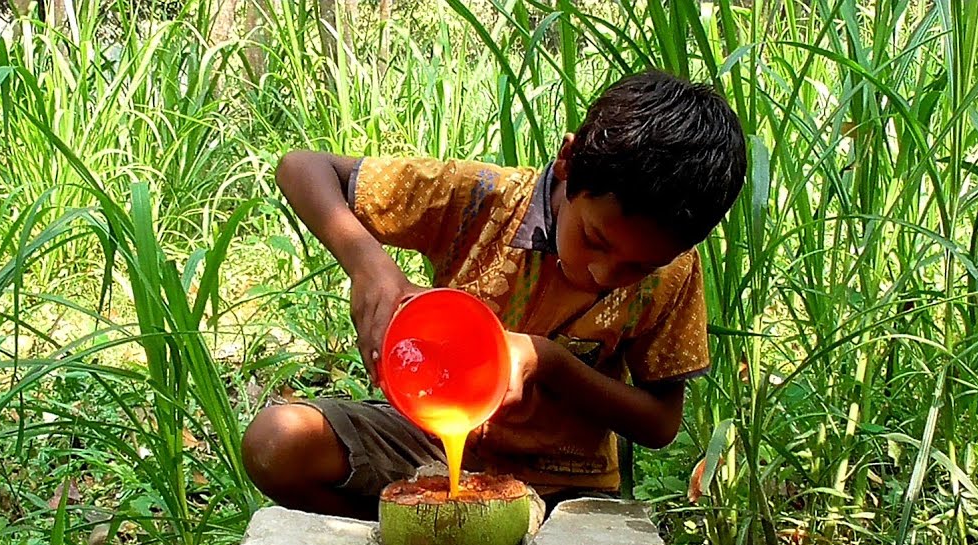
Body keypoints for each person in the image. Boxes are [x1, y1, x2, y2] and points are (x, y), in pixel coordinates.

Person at [241, 69, 747, 519]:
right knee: (277, 441)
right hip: (428, 446)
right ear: (569, 162)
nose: (604, 272)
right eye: (594, 239)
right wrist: (369, 266)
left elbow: (660, 423)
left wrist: (546, 361)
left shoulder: (676, 272)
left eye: (641, 265)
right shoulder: (480, 199)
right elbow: (303, 167)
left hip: (563, 486)